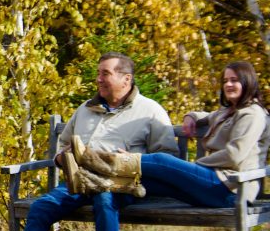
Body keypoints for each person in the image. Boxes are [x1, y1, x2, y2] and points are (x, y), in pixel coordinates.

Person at [0, 52, 178, 231]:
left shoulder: (150, 111)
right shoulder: (86, 109)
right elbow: (63, 146)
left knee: (105, 199)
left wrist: (130, 160)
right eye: (98, 73)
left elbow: (167, 157)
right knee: (42, 206)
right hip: (80, 181)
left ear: (126, 79)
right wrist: (63, 158)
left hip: (121, 183)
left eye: (105, 73)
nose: (98, 79)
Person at [74, 60, 269, 211]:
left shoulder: (253, 114)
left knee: (161, 160)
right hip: (214, 185)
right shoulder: (228, 111)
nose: (228, 85)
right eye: (225, 80)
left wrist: (194, 167)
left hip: (232, 188)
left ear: (247, 81)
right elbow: (207, 117)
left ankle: (103, 160)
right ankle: (94, 180)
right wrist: (190, 117)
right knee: (146, 182)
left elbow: (235, 155)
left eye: (234, 80)